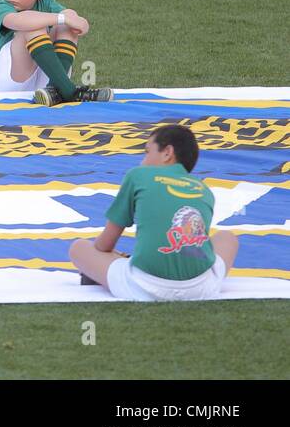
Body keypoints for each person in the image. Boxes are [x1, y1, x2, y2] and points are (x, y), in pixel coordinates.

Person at [70, 124, 239, 301]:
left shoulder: (138, 175)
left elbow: (104, 245)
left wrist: (112, 257)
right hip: (201, 288)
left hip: (145, 286)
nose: (142, 161)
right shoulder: (204, 190)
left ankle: (124, 263)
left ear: (167, 152)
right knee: (227, 238)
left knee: (79, 248)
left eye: (147, 152)